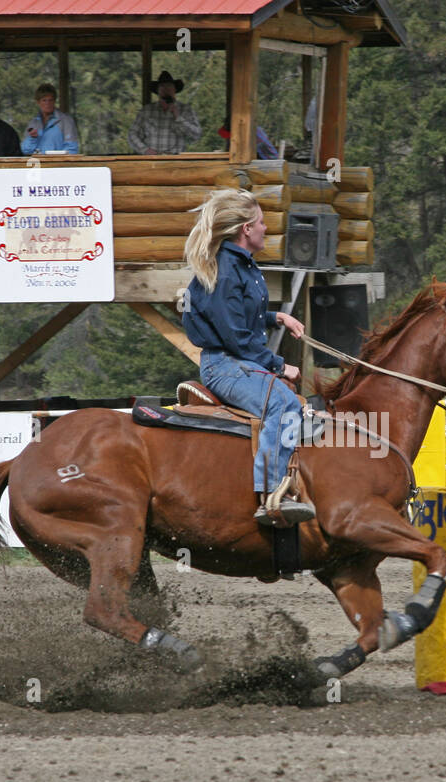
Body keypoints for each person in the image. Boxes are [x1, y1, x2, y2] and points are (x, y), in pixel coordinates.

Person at [181, 188, 312, 527]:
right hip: (227, 365)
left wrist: (276, 318)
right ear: (246, 230)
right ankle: (271, 496)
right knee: (283, 405)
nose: (266, 229)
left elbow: (239, 317)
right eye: (262, 223)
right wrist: (280, 365)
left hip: (238, 361)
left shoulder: (240, 266)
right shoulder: (227, 270)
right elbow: (236, 336)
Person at [128, 71, 202, 155]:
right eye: (162, 86)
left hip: (176, 160)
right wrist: (145, 150)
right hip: (151, 161)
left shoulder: (186, 110)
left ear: (175, 89)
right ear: (158, 90)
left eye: (169, 86)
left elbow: (197, 134)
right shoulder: (147, 111)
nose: (166, 89)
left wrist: (178, 117)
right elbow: (132, 134)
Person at [21, 83, 79, 155]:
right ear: (38, 102)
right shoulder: (34, 123)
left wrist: (57, 161)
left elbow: (72, 149)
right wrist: (32, 138)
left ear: (54, 101)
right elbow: (26, 150)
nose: (47, 103)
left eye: (50, 100)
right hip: (37, 164)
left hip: (58, 164)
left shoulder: (65, 120)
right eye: (44, 100)